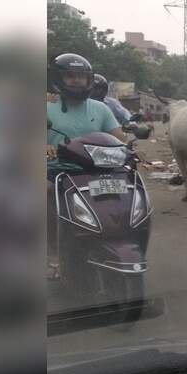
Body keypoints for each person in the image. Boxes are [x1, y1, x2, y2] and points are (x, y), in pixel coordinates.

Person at [46, 53, 126, 276]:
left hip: (99, 169)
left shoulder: (100, 109)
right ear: (58, 78)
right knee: (46, 194)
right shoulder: (46, 106)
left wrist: (129, 145)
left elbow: (119, 137)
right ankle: (54, 252)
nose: (77, 81)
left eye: (82, 76)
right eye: (71, 76)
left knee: (131, 190)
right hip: (58, 168)